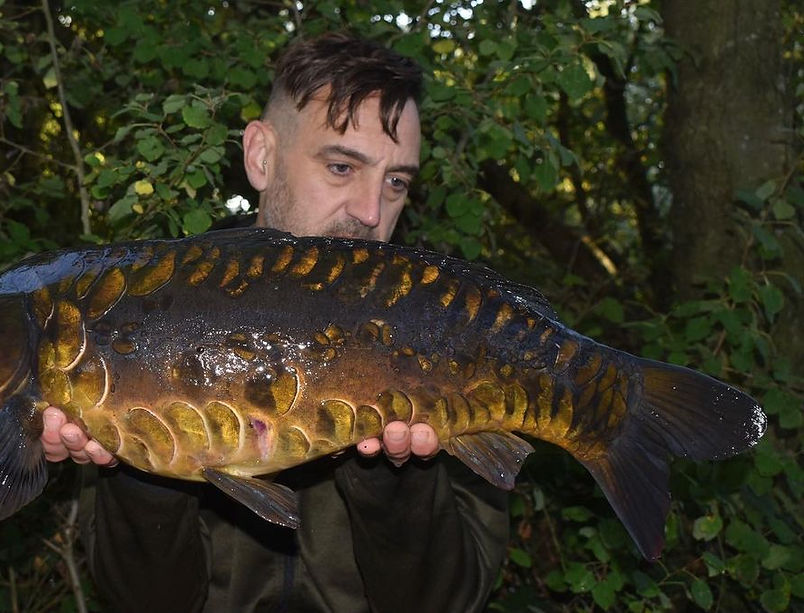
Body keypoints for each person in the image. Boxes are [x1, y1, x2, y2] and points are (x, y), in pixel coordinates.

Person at [42, 33, 509, 612]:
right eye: (342, 166)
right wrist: (144, 460)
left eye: (396, 182)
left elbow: (450, 603)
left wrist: (394, 473)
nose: (370, 212)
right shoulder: (153, 321)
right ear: (262, 156)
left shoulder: (442, 334)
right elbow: (145, 602)